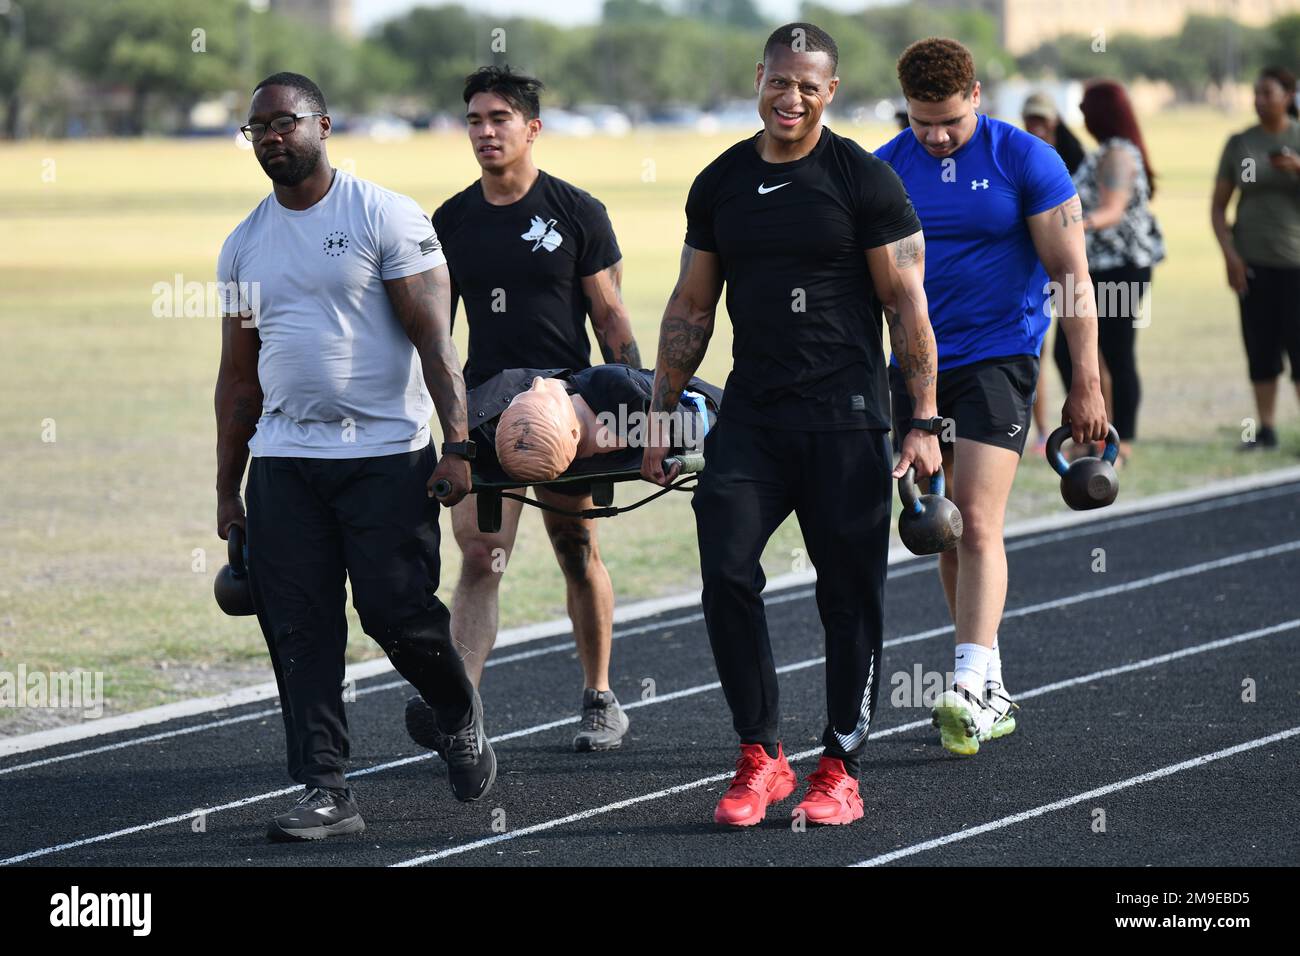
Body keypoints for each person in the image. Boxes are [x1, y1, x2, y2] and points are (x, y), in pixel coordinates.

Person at [642, 22, 941, 827]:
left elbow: (905, 305)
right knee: (726, 569)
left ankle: (840, 765)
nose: (793, 97)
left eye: (809, 85)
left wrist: (923, 421)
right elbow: (691, 306)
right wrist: (660, 416)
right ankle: (761, 755)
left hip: (846, 422)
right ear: (760, 78)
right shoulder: (721, 182)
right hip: (753, 418)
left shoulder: (863, 179)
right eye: (781, 81)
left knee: (848, 598)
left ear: (830, 91)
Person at [215, 73, 488, 842]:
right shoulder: (244, 244)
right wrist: (227, 489)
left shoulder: (382, 214)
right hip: (284, 462)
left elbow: (437, 342)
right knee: (298, 629)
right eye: (257, 127)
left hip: (385, 455)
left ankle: (457, 708)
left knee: (395, 613)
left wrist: (460, 445)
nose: (271, 137)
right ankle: (327, 789)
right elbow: (238, 378)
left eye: (284, 123)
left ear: (323, 124)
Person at [875, 38, 1107, 755]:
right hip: (917, 370)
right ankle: (992, 682)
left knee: (976, 516)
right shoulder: (886, 167)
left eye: (949, 119)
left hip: (1000, 357)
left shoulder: (1026, 159)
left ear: (976, 95)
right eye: (923, 122)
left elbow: (1071, 274)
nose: (937, 135)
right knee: (944, 525)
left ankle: (970, 683)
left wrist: (1087, 383)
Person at [429, 66, 641, 751]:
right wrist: (451, 431)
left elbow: (610, 317)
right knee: (481, 552)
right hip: (488, 406)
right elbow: (437, 336)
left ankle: (601, 697)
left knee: (577, 549)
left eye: (499, 119)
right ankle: (461, 719)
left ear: (531, 128)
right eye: (475, 121)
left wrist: (638, 412)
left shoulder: (578, 211)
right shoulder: (452, 221)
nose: (485, 132)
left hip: (563, 406)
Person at [1060, 79, 1165, 467]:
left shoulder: (1119, 153)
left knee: (1116, 352)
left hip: (1120, 268)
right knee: (1075, 352)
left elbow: (1112, 210)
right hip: (1093, 268)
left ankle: (1124, 441)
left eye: (1087, 106)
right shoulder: (1103, 152)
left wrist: (1072, 225)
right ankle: (1095, 435)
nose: (1082, 113)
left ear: (1103, 111)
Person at [1212, 65, 1300, 451]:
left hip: (1296, 262)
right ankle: (1265, 430)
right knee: (1260, 348)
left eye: (1268, 92)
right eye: (1256, 92)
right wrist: (1230, 256)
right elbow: (1218, 207)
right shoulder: (1241, 144)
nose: (1259, 99)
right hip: (1253, 262)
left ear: (1289, 95)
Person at [1023, 91, 1087, 453]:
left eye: (1042, 120)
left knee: (1081, 349)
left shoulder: (1073, 161)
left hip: (1072, 269)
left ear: (1055, 122)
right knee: (1038, 352)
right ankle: (1043, 428)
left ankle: (1092, 425)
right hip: (1036, 272)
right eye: (1030, 119)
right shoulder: (1023, 157)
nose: (1036, 126)